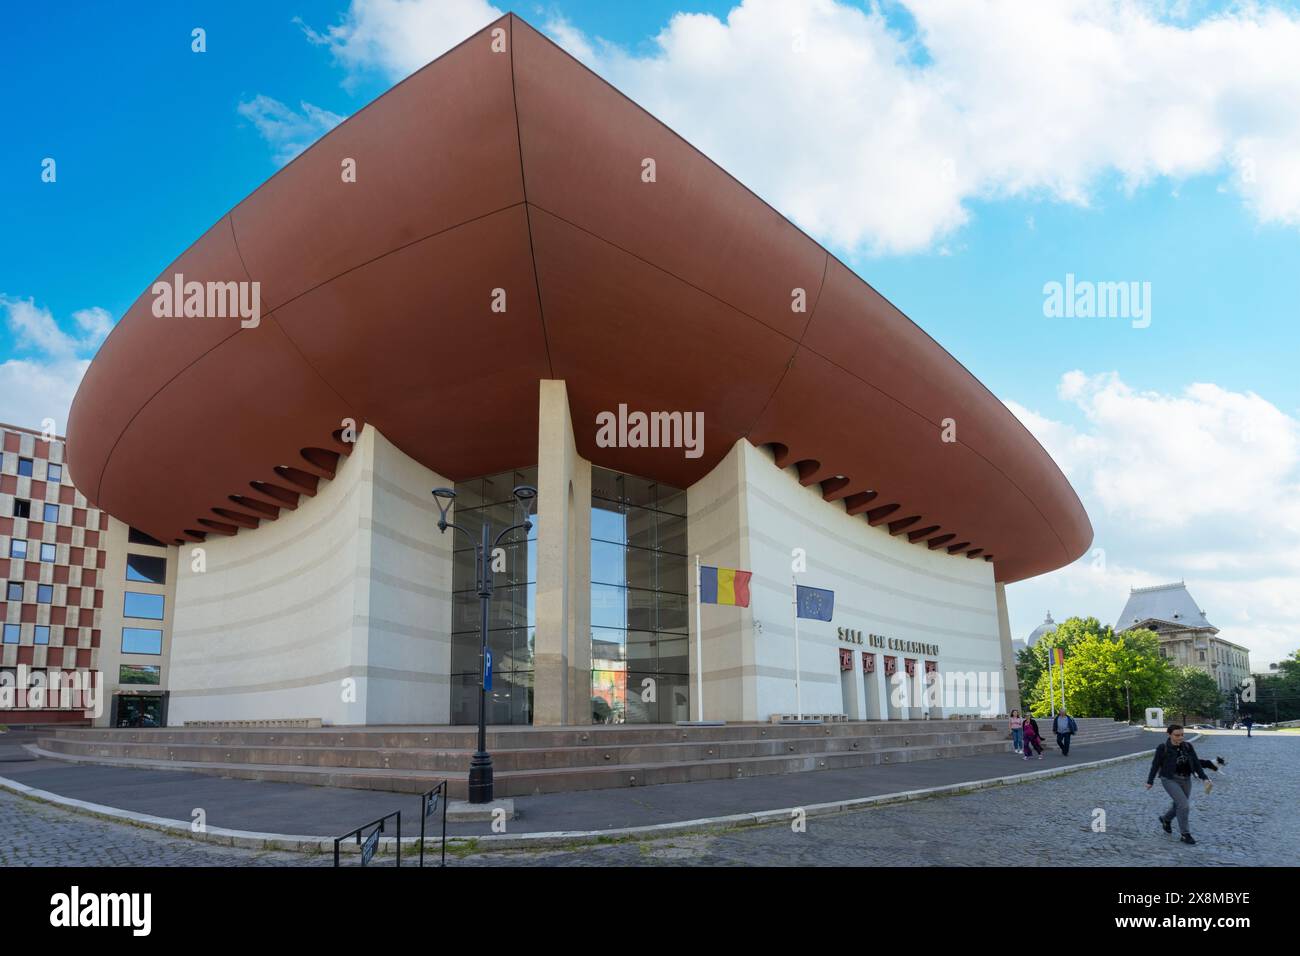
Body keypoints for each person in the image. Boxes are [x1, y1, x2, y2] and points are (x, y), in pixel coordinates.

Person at [1146, 724, 1210, 845]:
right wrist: (1150, 781)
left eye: (1182, 735)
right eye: (1177, 735)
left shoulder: (1187, 746)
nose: (1180, 737)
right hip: (1169, 779)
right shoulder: (1162, 748)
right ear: (1169, 734)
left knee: (1179, 805)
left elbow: (1196, 763)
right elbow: (1155, 765)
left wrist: (1204, 778)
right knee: (1184, 805)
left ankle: (1166, 819)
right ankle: (1185, 834)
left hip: (1186, 779)